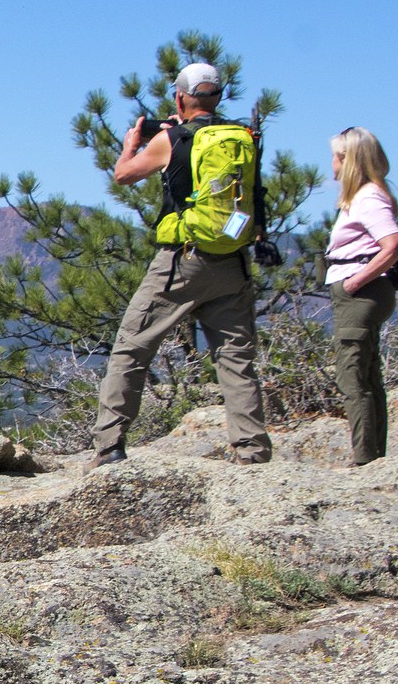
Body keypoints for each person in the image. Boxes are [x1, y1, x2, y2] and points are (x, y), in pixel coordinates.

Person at [91, 62, 272, 466]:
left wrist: (131, 144)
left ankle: (109, 447)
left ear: (179, 98)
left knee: (132, 346)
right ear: (220, 97)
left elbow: (124, 175)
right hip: (233, 262)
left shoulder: (173, 139)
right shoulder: (243, 136)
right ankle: (253, 452)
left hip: (182, 261)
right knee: (236, 361)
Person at [322, 127, 398, 465]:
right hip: (364, 292)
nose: (332, 163)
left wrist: (355, 282)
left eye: (335, 156)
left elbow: (394, 246)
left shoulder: (367, 198)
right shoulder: (364, 196)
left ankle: (364, 459)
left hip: (361, 294)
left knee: (351, 375)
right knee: (367, 374)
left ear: (348, 160)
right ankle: (373, 455)